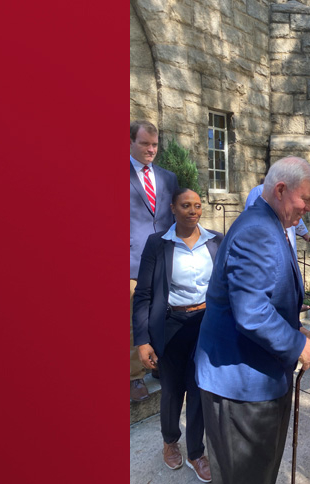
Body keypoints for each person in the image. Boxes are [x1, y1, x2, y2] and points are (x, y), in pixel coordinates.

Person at [194, 156, 310, 484]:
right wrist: (298, 345)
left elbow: (265, 294)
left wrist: (294, 327)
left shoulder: (269, 224)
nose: (309, 208)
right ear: (280, 190)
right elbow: (252, 311)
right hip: (241, 386)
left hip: (255, 377)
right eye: (306, 199)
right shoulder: (258, 231)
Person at [133, 189, 222, 482]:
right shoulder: (158, 243)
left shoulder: (216, 241)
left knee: (199, 388)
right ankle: (170, 441)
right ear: (173, 208)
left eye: (197, 205)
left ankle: (196, 452)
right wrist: (143, 341)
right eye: (186, 205)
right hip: (171, 325)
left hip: (206, 324)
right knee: (172, 390)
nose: (193, 211)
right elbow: (143, 294)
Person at [130, 120, 179, 402]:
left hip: (163, 257)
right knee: (133, 318)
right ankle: (134, 376)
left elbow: (174, 216)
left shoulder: (168, 178)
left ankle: (159, 361)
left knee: (162, 312)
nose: (151, 149)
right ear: (130, 143)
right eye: (145, 144)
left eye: (155, 144)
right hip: (132, 259)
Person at [246, 177, 310, 248]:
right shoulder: (259, 190)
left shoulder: (287, 192)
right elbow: (251, 213)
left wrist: (304, 233)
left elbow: (294, 214)